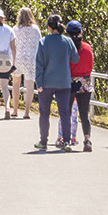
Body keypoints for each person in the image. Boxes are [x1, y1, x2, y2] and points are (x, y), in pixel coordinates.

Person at [33, 14, 79, 152]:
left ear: (48, 27)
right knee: (65, 113)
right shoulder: (67, 41)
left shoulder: (43, 42)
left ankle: (43, 141)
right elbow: (75, 58)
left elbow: (39, 64)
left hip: (46, 82)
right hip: (64, 82)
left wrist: (39, 82)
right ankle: (66, 141)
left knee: (44, 112)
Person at [65, 19, 95, 151]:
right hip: (85, 82)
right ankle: (87, 140)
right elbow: (90, 66)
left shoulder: (66, 48)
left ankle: (66, 139)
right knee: (84, 114)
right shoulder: (87, 47)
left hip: (70, 81)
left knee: (66, 112)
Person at [11, 7, 42, 118]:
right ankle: (27, 111)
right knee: (29, 85)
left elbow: (12, 45)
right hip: (31, 59)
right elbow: (40, 43)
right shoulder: (35, 29)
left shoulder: (15, 29)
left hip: (18, 59)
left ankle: (15, 109)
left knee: (15, 84)